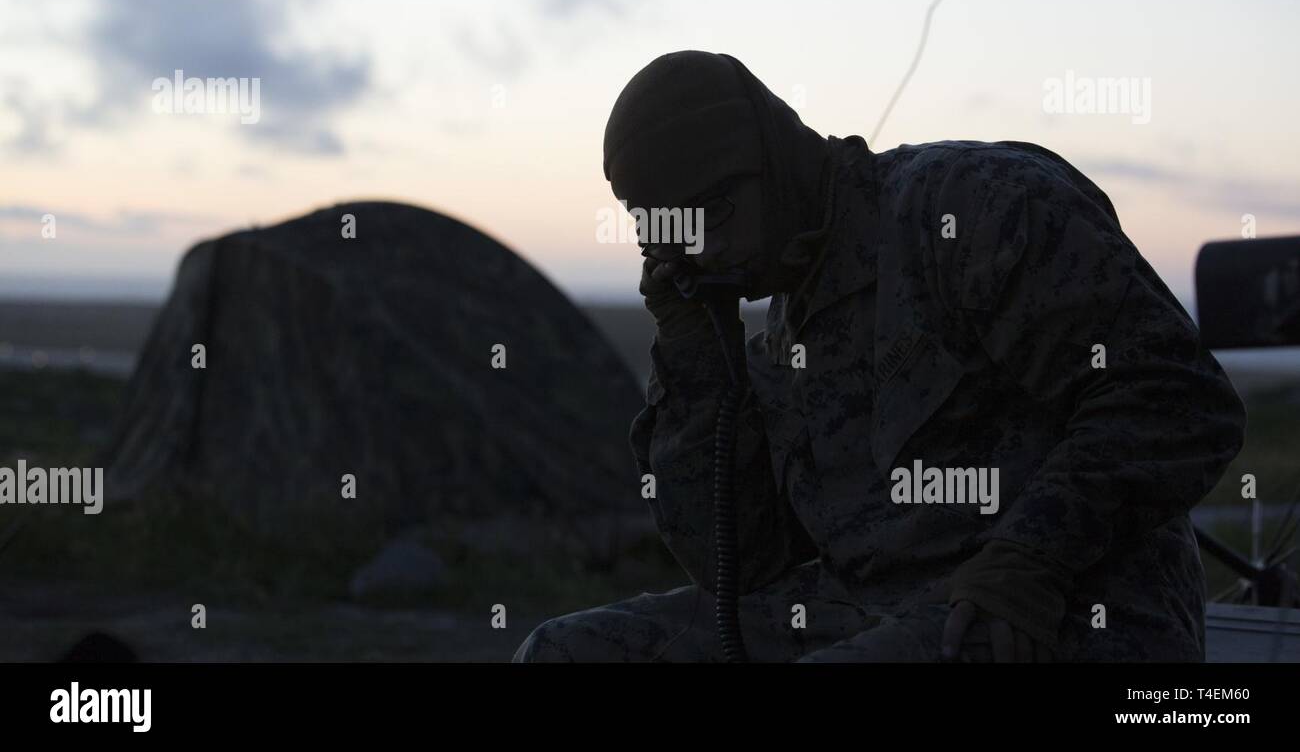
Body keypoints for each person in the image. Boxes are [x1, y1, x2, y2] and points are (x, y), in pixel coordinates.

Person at [514, 50, 1246, 662]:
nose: (704, 255)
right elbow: (738, 564)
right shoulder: (779, 320)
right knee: (563, 653)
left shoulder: (971, 209)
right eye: (671, 238)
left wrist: (1032, 555)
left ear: (770, 159)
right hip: (865, 611)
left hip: (1067, 606)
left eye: (712, 222)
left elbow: (1179, 399)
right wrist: (693, 351)